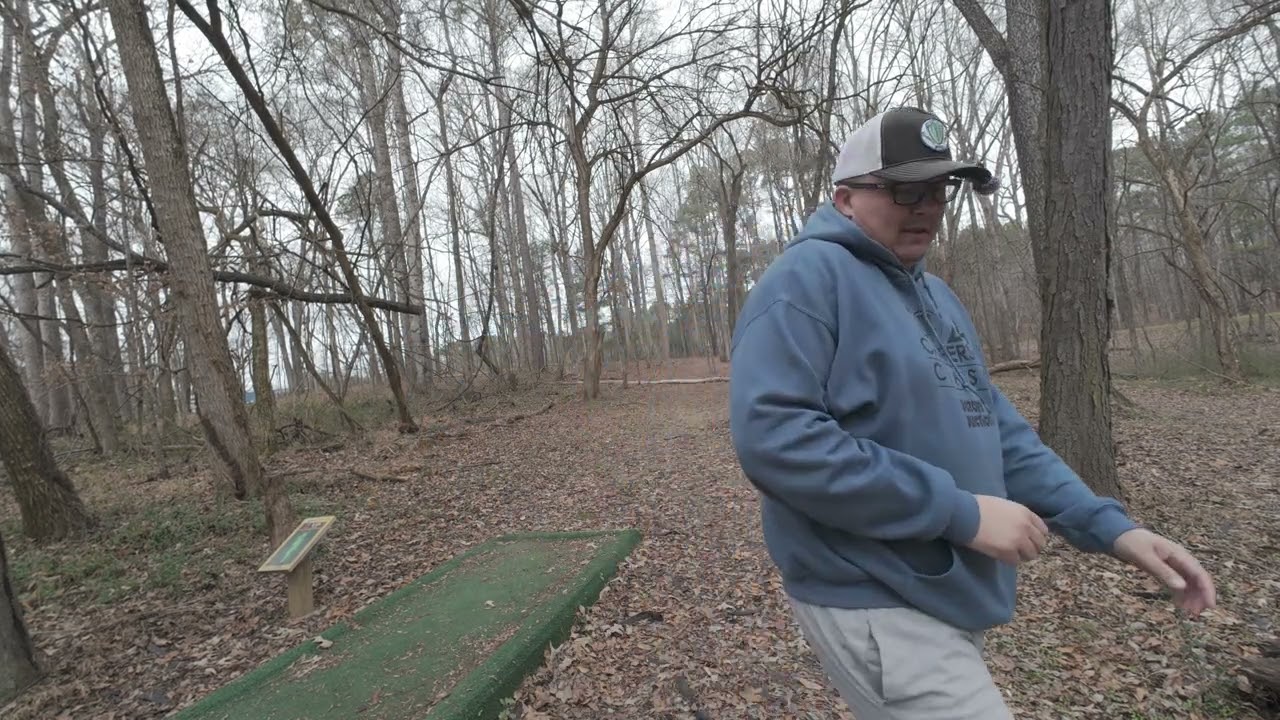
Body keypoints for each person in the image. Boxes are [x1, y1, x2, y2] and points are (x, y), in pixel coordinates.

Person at [726, 106, 1217, 719]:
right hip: (873, 592)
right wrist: (957, 511)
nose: (928, 206)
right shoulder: (804, 281)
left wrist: (1109, 527)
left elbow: (995, 429)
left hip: (949, 590)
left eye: (939, 189)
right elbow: (777, 439)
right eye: (906, 189)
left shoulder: (936, 296)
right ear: (845, 199)